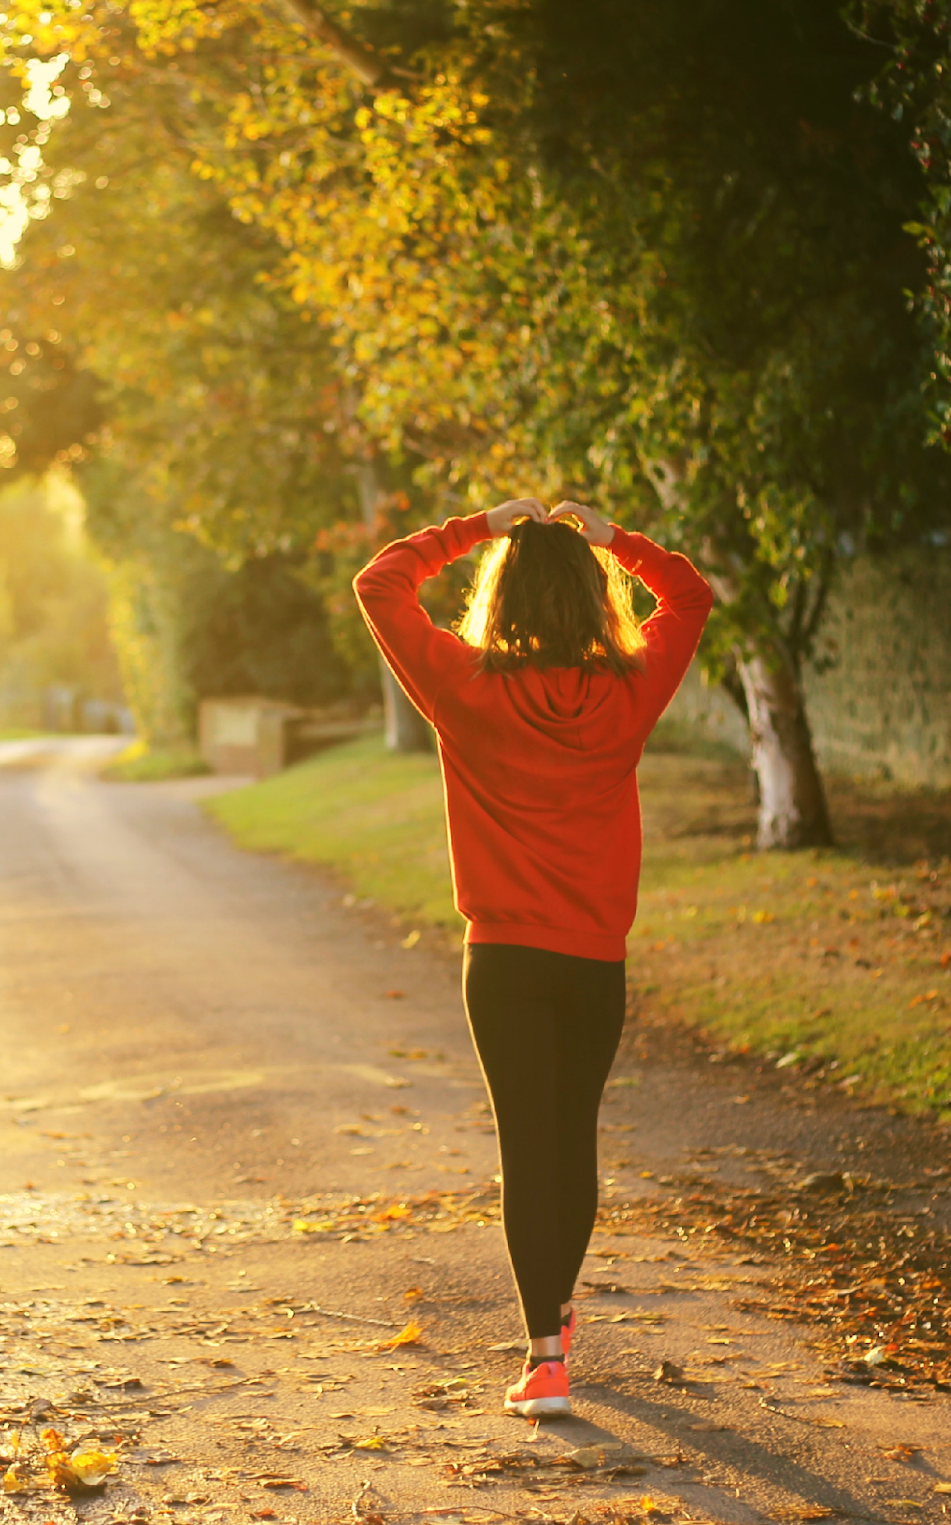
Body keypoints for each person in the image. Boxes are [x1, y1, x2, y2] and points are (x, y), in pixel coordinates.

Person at [353, 497, 713, 1419]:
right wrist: (616, 540)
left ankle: (545, 1357)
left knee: (527, 1147)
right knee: (572, 1138)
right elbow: (690, 595)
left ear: (501, 597)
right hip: (594, 960)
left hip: (504, 960)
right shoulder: (629, 690)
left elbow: (380, 584)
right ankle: (552, 1321)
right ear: (594, 598)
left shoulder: (464, 685)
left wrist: (477, 527)